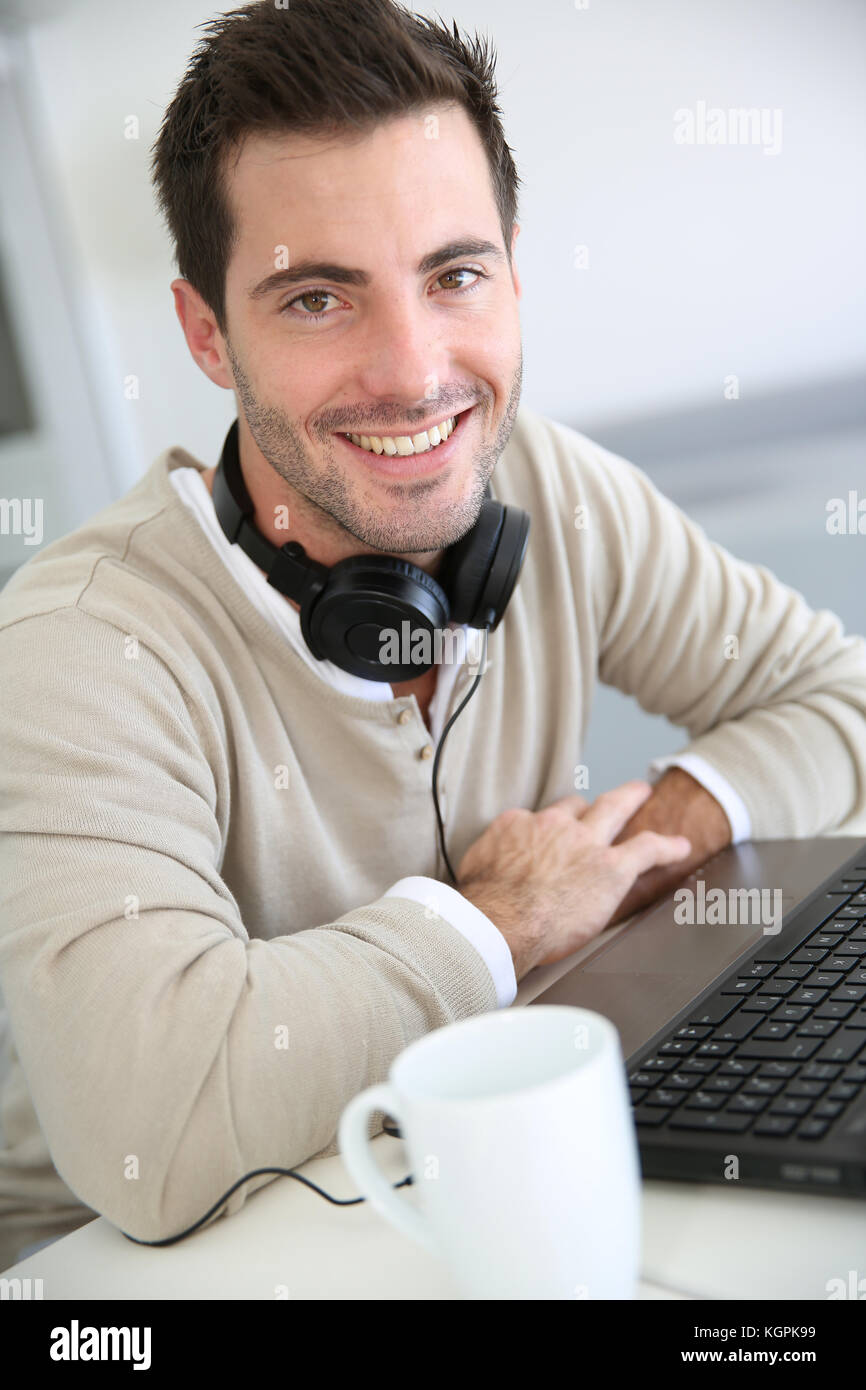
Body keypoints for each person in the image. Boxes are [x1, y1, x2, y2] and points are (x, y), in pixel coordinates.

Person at [1, 0, 864, 1272]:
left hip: (465, 1156)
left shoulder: (551, 489)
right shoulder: (75, 651)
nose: (412, 373)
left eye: (453, 275)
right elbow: (154, 1124)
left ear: (511, 273)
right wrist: (501, 921)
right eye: (315, 298)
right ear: (204, 332)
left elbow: (832, 695)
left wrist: (634, 847)